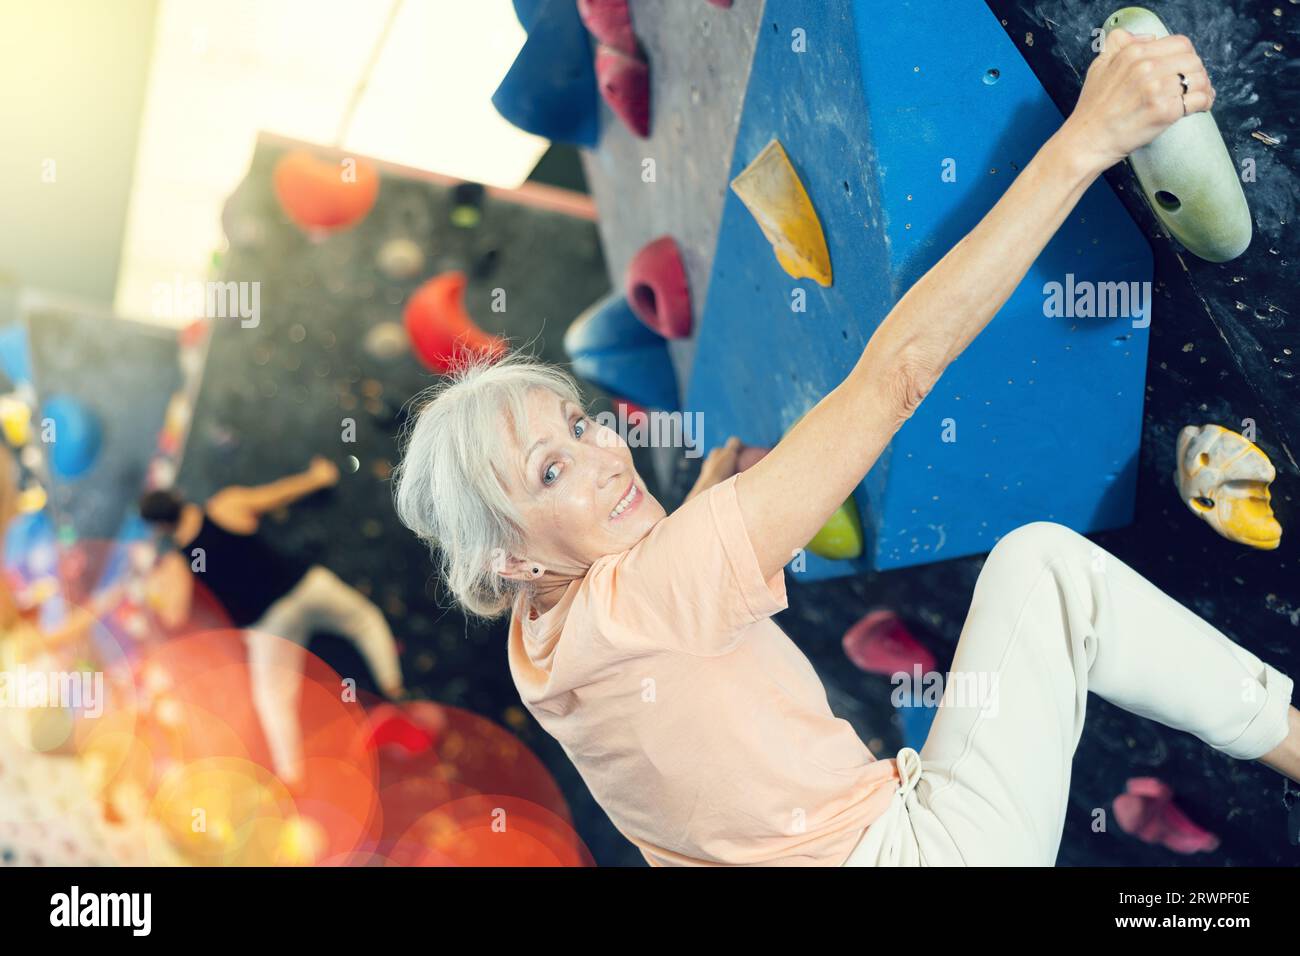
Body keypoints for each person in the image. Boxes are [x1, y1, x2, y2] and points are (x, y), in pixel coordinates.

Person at [392, 29, 1299, 866]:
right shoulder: (653, 591)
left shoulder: (538, 643)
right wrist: (1091, 137)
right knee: (1047, 572)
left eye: (582, 426)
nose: (604, 458)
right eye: (551, 471)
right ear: (507, 555)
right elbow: (896, 376)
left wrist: (710, 508)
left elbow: (655, 636)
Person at [139, 455, 405, 785]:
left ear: (161, 527)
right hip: (303, 587)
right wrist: (317, 478)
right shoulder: (225, 505)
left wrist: (154, 591)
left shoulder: (178, 564)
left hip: (268, 627)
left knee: (274, 700)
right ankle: (394, 690)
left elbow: (174, 616)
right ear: (178, 497)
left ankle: (292, 778)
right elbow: (277, 494)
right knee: (366, 620)